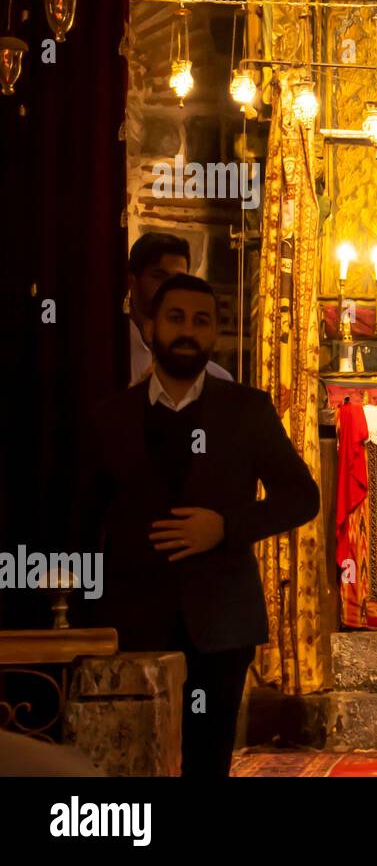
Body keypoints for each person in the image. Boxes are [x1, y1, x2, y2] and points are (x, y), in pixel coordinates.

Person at [77, 273, 320, 777]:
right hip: (131, 623)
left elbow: (302, 496)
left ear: (213, 335)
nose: (188, 330)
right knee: (130, 764)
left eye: (201, 321)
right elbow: (83, 521)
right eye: (176, 318)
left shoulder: (248, 411)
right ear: (150, 327)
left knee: (207, 763)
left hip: (220, 622)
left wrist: (225, 527)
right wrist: (84, 619)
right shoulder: (109, 416)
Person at [126, 233, 231, 384]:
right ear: (132, 281)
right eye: (158, 276)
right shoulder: (109, 358)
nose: (169, 287)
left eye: (178, 279)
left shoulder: (217, 379)